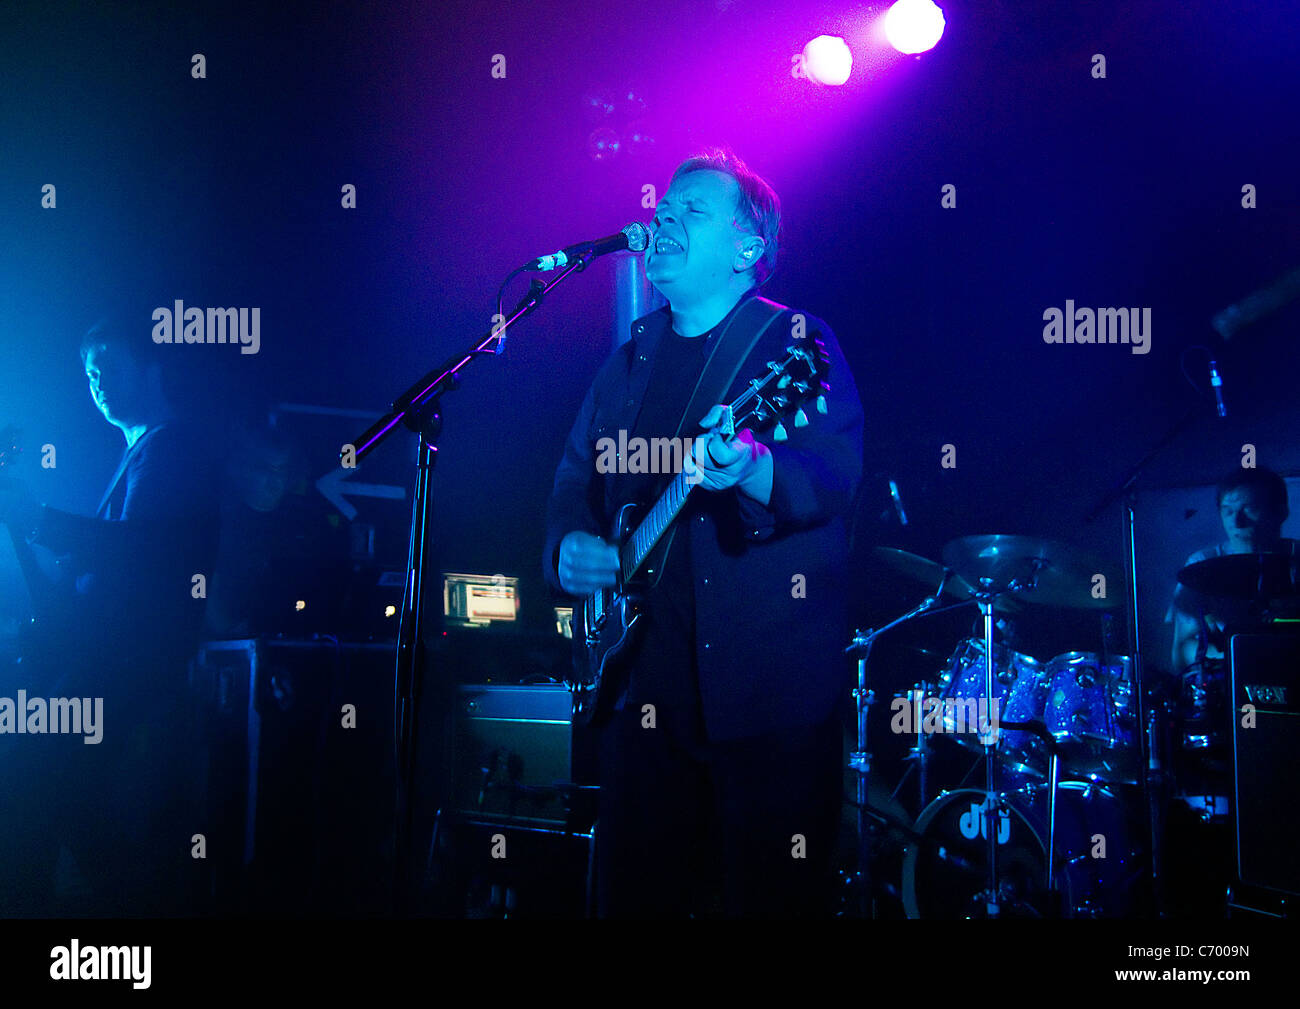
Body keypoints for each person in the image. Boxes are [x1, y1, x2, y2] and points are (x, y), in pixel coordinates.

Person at [543, 149, 864, 917]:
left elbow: (831, 474)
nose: (664, 218)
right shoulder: (629, 360)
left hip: (766, 699)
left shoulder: (791, 345)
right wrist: (569, 547)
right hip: (641, 691)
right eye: (663, 208)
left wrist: (750, 466)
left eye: (691, 209)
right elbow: (574, 478)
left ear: (746, 248)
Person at [0, 316, 222, 915]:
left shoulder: (169, 448)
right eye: (91, 373)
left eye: (110, 368)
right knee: (69, 801)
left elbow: (137, 553)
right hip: (116, 667)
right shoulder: (141, 452)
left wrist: (37, 519)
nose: (97, 383)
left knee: (33, 779)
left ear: (153, 371)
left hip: (128, 671)